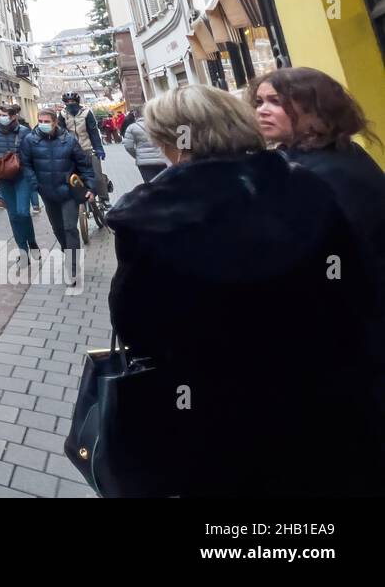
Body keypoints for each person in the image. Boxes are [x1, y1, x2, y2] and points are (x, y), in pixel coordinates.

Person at [104, 85, 384, 496]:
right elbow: (350, 286)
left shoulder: (148, 215)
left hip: (215, 408)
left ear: (173, 142)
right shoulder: (305, 185)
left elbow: (137, 324)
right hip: (326, 394)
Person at [249, 67, 385, 242]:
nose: (262, 110)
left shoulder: (326, 171)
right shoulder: (327, 153)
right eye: (259, 102)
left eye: (276, 101)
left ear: (315, 110)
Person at [20, 108, 94, 284]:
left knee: (70, 228)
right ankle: (67, 249)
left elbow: (84, 164)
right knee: (58, 229)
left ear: (55, 122)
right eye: (41, 121)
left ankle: (72, 268)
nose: (43, 124)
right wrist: (35, 185)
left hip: (69, 192)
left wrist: (90, 186)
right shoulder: (30, 140)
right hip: (47, 192)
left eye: (47, 121)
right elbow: (26, 164)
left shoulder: (68, 140)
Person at [0, 104, 38, 261]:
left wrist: (18, 159)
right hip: (3, 176)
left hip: (22, 176)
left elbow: (31, 153)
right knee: (13, 215)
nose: (2, 117)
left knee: (23, 212)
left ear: (13, 116)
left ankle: (32, 241)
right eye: (0, 114)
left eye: (5, 115)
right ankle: (23, 251)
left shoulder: (24, 131)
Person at [59, 92, 108, 202]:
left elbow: (93, 132)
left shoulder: (86, 113)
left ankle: (104, 198)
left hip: (87, 148)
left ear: (77, 102)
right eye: (68, 102)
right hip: (71, 150)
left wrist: (99, 148)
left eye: (73, 102)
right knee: (72, 177)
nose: (70, 104)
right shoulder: (62, 114)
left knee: (97, 175)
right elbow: (61, 133)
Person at [121, 109, 168, 183]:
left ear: (135, 115)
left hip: (144, 162)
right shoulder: (159, 125)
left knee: (150, 185)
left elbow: (128, 146)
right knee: (165, 183)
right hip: (161, 159)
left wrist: (137, 155)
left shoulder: (131, 128)